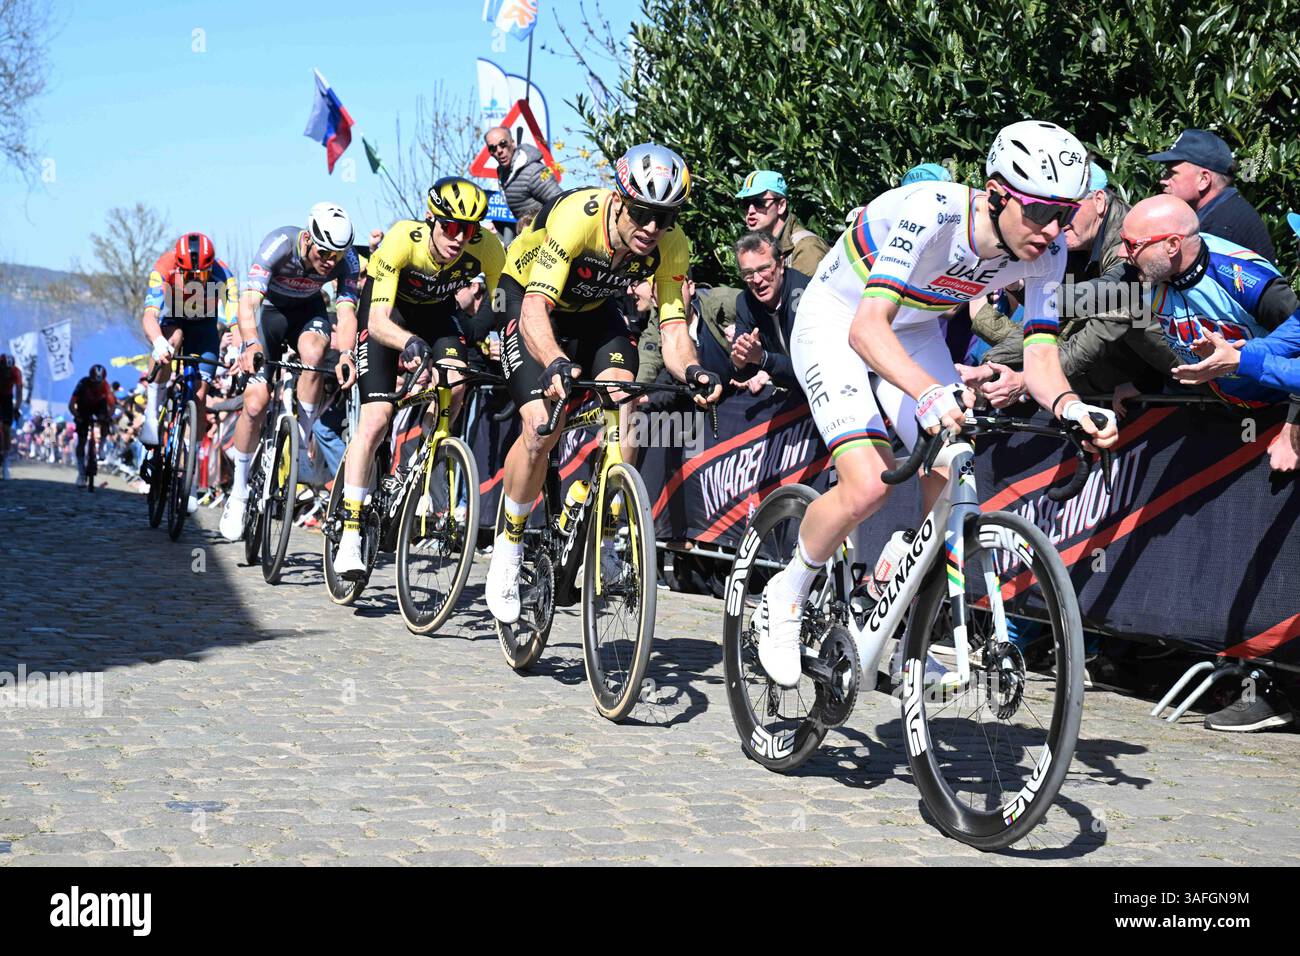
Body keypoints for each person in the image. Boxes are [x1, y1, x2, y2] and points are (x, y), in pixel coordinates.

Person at [756, 120, 1119, 689]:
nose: (1054, 232)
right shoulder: (932, 212)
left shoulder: (1045, 255)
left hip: (916, 329)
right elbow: (866, 329)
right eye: (1042, 213)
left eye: (1066, 215)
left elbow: (1042, 359)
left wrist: (1072, 408)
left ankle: (901, 622)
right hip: (839, 321)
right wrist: (926, 391)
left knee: (955, 472)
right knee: (870, 483)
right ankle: (787, 590)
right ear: (998, 193)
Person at [484, 143, 723, 623]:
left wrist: (694, 371)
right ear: (619, 200)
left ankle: (608, 534)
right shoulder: (578, 218)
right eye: (642, 213)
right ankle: (508, 545)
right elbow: (535, 309)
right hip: (529, 299)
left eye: (665, 217)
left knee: (624, 399)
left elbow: (674, 331)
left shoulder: (671, 245)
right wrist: (553, 360)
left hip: (595, 310)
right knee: (540, 427)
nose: (652, 229)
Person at [333, 178, 504, 578]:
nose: (460, 238)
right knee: (376, 419)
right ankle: (351, 532)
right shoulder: (401, 240)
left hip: (436, 313)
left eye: (469, 229)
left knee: (457, 380)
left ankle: (428, 453)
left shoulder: (489, 248)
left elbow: (501, 303)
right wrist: (407, 342)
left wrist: (493, 338)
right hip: (387, 315)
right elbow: (377, 322)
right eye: (450, 227)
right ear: (432, 220)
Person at [965, 162, 1175, 401]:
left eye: (1067, 211)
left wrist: (1025, 381)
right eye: (1049, 211)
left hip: (1187, 376)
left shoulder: (1126, 248)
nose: (1056, 224)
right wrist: (991, 365)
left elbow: (1090, 337)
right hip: (1140, 374)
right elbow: (1049, 324)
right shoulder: (1073, 244)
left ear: (1098, 201)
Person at [220, 203, 360, 541]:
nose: (330, 262)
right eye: (324, 253)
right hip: (269, 314)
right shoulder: (279, 244)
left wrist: (346, 354)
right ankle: (238, 493)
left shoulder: (348, 260)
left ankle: (301, 438)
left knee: (314, 354)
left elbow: (346, 312)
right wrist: (251, 344)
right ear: (309, 239)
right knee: (254, 403)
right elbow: (248, 303)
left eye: (337, 257)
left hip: (308, 312)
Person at [139, 232, 239, 447]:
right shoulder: (164, 266)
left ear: (210, 268)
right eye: (189, 275)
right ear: (178, 267)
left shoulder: (224, 275)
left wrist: (236, 349)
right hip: (175, 319)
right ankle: (152, 414)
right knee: (171, 341)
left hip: (204, 327)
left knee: (200, 395)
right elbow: (149, 316)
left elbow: (236, 322)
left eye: (202, 276)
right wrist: (158, 342)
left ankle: (187, 457)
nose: (195, 280)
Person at [1146, 128, 1276, 263]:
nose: (1163, 180)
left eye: (1172, 173)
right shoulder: (1223, 211)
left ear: (1203, 180)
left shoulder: (1220, 231)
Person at [730, 230, 810, 390]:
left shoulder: (804, 296)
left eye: (764, 269)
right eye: (748, 273)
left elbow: (807, 370)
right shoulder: (745, 302)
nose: (757, 280)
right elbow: (741, 373)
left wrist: (762, 358)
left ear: (780, 265)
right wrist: (739, 360)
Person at [735, 169, 830, 278]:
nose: (750, 210)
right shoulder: (758, 246)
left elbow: (809, 294)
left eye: (759, 203)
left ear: (781, 206)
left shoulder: (806, 247)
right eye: (746, 203)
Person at [485, 126, 561, 243]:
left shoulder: (532, 171)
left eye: (503, 144)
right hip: (531, 240)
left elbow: (562, 203)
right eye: (492, 148)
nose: (499, 151)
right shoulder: (505, 174)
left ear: (513, 143)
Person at [69, 364, 116, 487]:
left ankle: (101, 448)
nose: (97, 385)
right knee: (82, 440)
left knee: (105, 421)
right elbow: (71, 403)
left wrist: (108, 417)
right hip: (83, 407)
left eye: (99, 383)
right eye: (94, 383)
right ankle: (81, 473)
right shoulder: (83, 384)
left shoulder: (106, 386)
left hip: (99, 407)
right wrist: (77, 415)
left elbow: (112, 406)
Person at [0, 354, 21, 479]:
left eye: (9, 370)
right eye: (4, 369)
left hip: (7, 398)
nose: (7, 372)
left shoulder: (16, 372)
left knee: (7, 429)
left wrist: (17, 408)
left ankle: (6, 463)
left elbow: (19, 392)